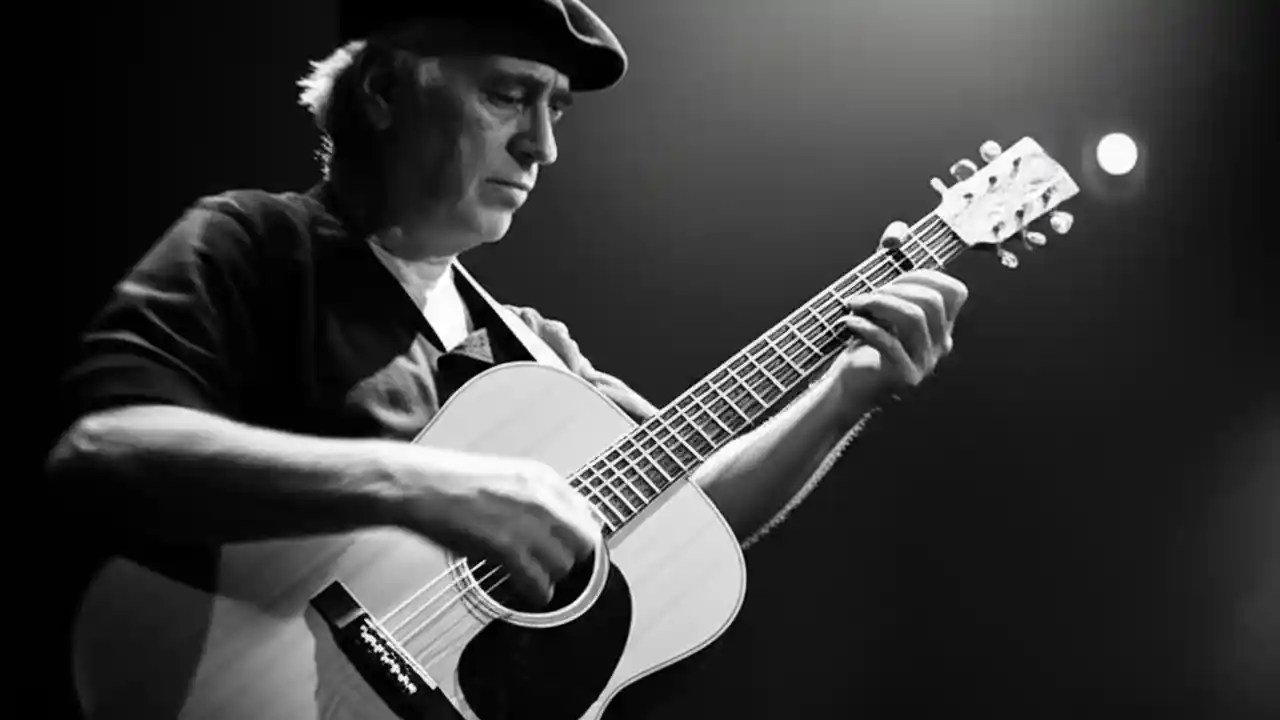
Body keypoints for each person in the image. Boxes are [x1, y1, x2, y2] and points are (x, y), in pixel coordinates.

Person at [45, 0, 967, 714]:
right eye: (507, 95)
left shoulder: (532, 348)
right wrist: (423, 487)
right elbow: (104, 451)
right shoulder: (257, 244)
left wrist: (843, 395)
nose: (543, 144)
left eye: (555, 108)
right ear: (383, 90)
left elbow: (682, 518)